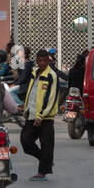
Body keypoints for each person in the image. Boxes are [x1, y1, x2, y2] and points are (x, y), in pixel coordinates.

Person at [20, 49, 60, 180]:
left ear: (48, 61)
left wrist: (41, 116)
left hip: (45, 118)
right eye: (40, 60)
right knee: (25, 141)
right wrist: (26, 110)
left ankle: (42, 172)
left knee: (46, 144)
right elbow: (31, 94)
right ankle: (45, 159)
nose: (42, 63)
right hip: (31, 115)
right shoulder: (34, 74)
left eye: (45, 60)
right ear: (36, 61)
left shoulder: (52, 75)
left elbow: (51, 98)